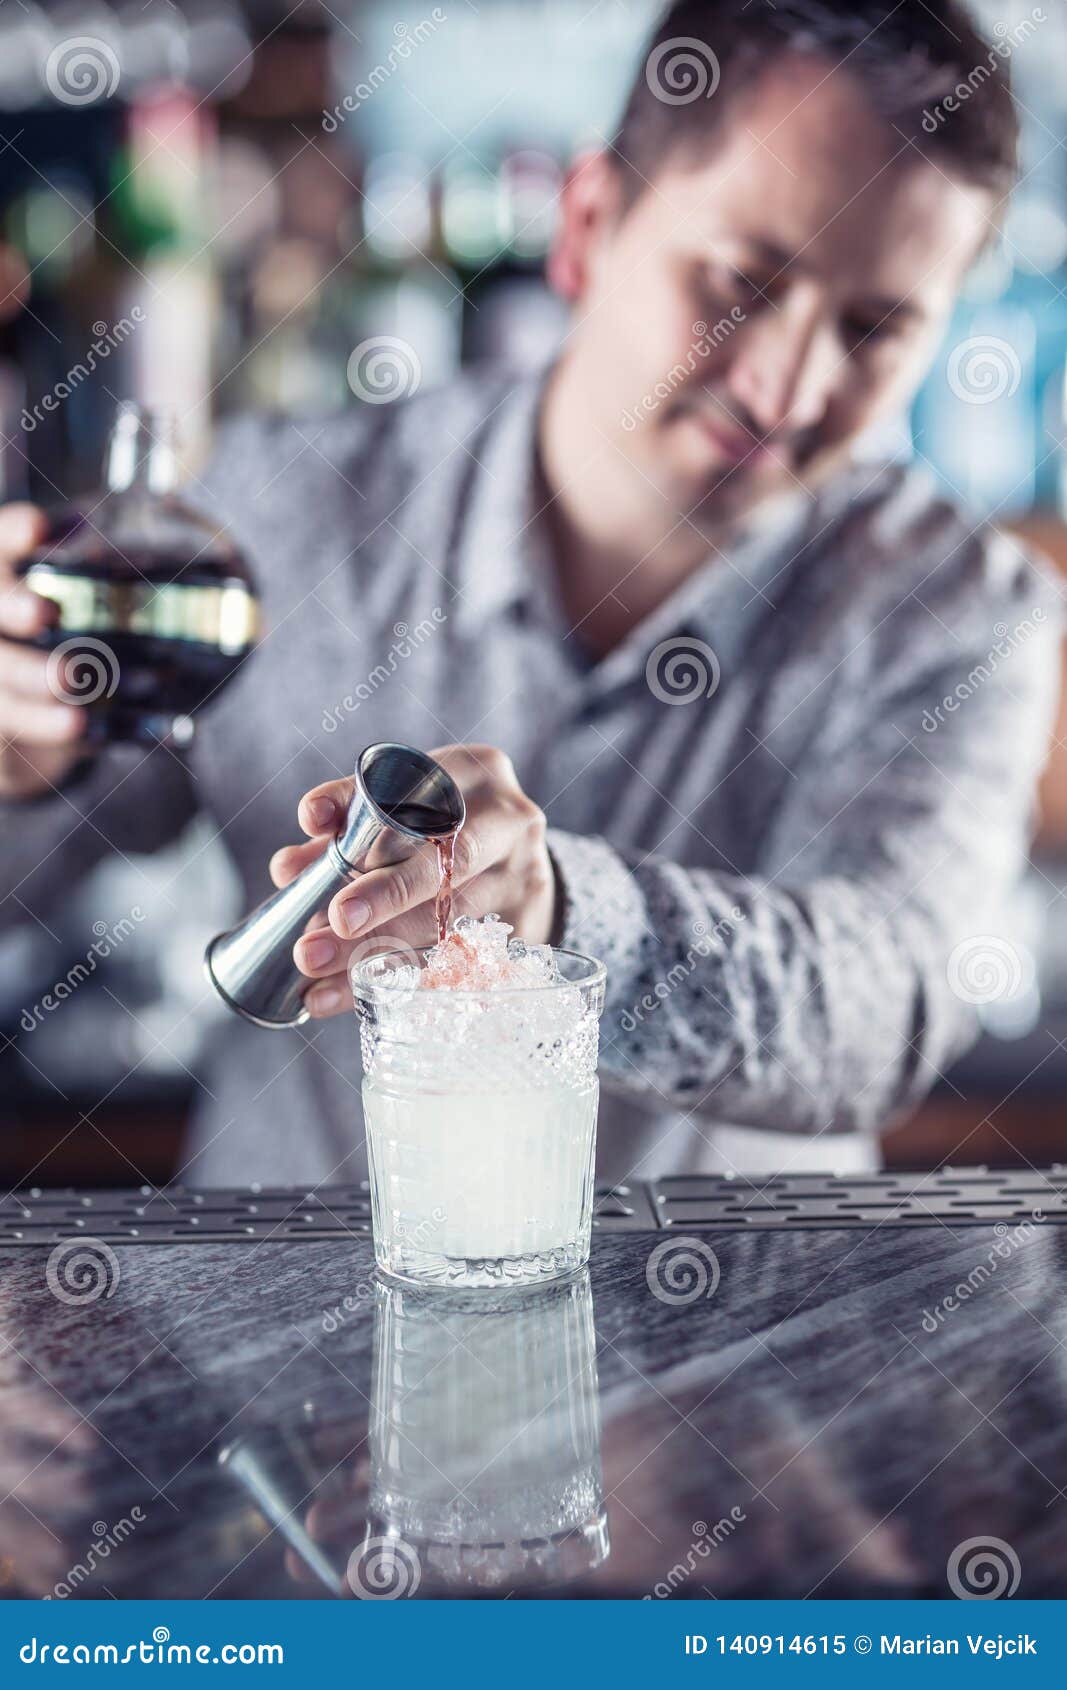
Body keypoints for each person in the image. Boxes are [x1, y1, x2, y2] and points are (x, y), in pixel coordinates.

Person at [0, 0, 1061, 1185]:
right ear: (588, 222)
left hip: (727, 1356)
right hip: (286, 1332)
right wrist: (27, 761)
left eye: (872, 328)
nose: (786, 385)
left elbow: (888, 1011)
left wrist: (558, 917)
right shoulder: (289, 508)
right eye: (741, 286)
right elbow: (37, 874)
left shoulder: (958, 609)